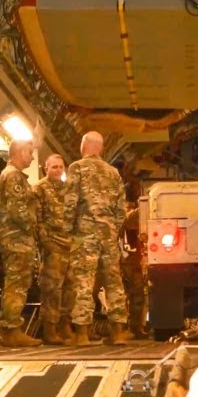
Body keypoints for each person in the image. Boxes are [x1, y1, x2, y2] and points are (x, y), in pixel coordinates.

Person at [64, 131, 132, 345]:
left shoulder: (76, 168)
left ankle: (82, 334)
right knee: (114, 282)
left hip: (85, 235)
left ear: (83, 146)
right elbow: (121, 209)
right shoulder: (113, 172)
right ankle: (118, 332)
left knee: (84, 282)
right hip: (108, 235)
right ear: (101, 148)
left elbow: (70, 203)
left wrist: (68, 230)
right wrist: (112, 228)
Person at [0, 140, 42, 348]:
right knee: (17, 283)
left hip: (18, 237)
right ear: (20, 152)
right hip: (17, 238)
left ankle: (11, 328)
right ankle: (10, 330)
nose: (31, 157)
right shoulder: (13, 176)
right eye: (29, 153)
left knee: (19, 282)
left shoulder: (14, 175)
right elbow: (18, 210)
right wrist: (34, 226)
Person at [34, 153, 74, 344]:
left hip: (69, 244)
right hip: (52, 244)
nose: (58, 170)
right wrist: (45, 242)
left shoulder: (68, 189)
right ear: (46, 169)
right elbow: (37, 218)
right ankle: (49, 329)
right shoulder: (39, 189)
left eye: (61, 167)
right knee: (52, 289)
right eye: (54, 167)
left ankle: (65, 325)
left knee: (70, 287)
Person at [121, 194, 149, 338]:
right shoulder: (125, 219)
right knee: (130, 295)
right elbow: (129, 218)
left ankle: (135, 327)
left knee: (138, 296)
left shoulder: (133, 220)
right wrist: (146, 202)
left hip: (133, 260)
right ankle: (127, 327)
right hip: (126, 261)